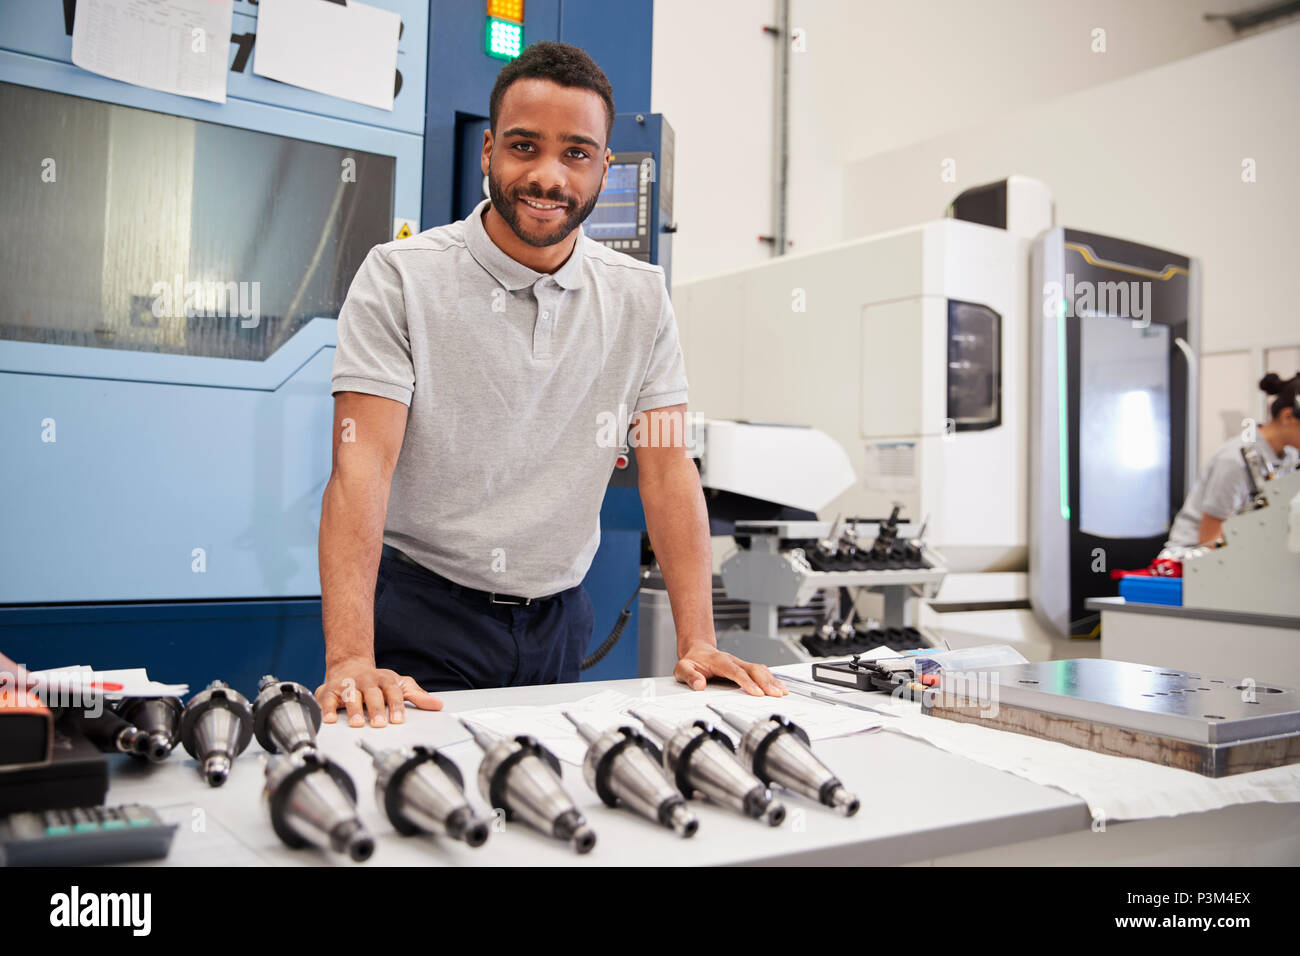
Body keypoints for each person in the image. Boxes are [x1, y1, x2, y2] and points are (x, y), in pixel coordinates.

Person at [314, 42, 786, 729]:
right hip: (424, 615)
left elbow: (666, 467)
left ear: (603, 168)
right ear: (487, 152)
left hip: (562, 621)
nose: (547, 176)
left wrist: (699, 640)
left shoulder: (640, 299)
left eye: (575, 153)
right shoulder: (401, 279)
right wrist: (351, 657)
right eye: (524, 146)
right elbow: (362, 465)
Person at [1164, 372, 1300, 549]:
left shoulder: (1289, 457)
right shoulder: (1235, 460)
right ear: (1287, 417)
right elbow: (1209, 539)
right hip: (1192, 560)